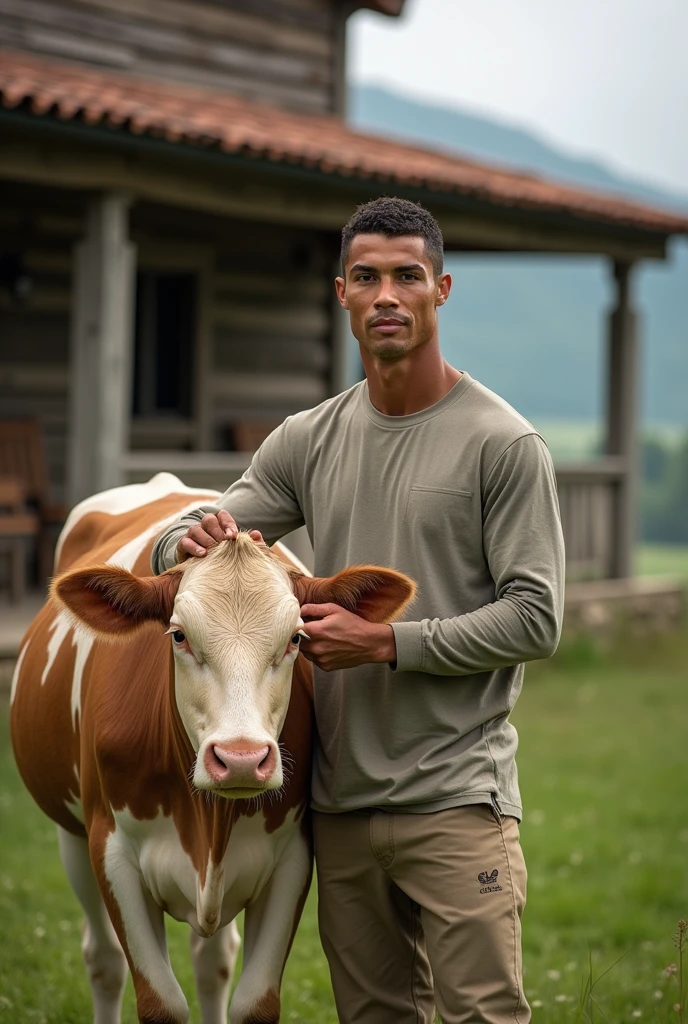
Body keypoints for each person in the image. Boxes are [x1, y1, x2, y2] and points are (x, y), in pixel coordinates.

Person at [151, 197, 565, 1024]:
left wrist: (387, 643)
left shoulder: (503, 444)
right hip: (338, 808)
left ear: (440, 289)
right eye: (367, 277)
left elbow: (537, 618)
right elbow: (197, 530)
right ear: (341, 292)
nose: (387, 295)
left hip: (458, 801)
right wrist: (180, 544)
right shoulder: (307, 438)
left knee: (485, 1015)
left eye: (407, 276)